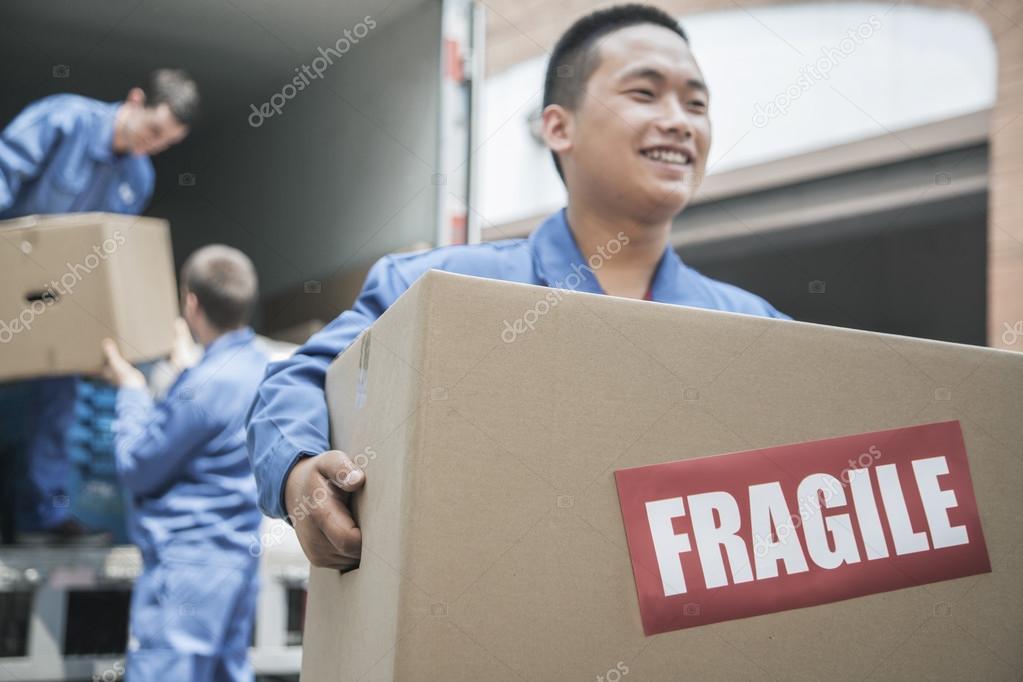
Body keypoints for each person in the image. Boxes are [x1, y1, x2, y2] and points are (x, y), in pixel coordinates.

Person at [246, 4, 791, 570]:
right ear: (558, 127)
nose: (680, 120)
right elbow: (295, 381)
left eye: (696, 103)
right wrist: (298, 471)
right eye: (645, 94)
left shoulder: (761, 330)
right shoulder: (434, 289)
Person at [0, 69, 199, 541]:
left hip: (60, 299)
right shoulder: (63, 119)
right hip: (7, 280)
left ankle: (42, 518)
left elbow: (108, 254)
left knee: (59, 401)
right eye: (153, 131)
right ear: (134, 100)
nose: (154, 146)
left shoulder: (138, 176)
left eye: (166, 143)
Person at [102, 245, 267, 682]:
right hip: (239, 563)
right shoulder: (262, 369)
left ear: (190, 302)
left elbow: (138, 466)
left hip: (188, 567)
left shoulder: (203, 385)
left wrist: (132, 390)